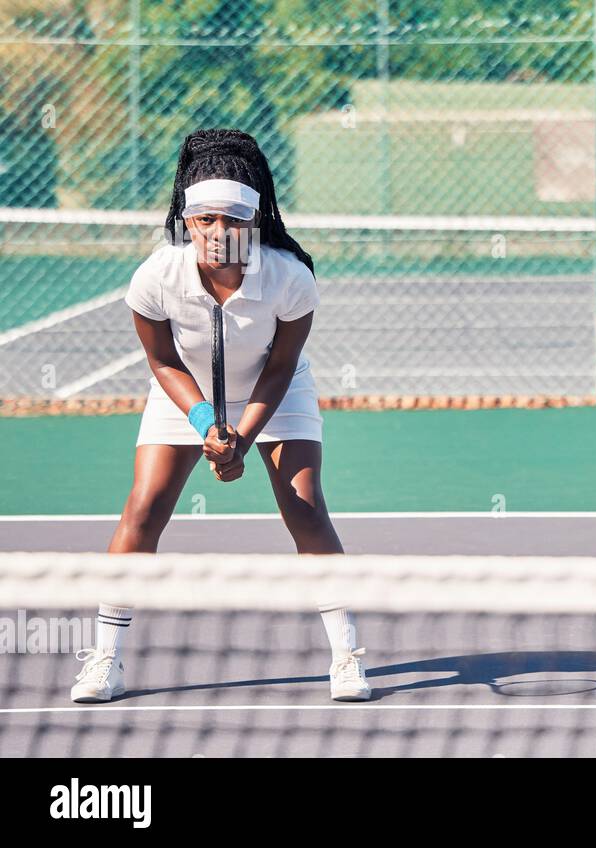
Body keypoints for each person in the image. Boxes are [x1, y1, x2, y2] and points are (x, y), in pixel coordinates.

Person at [71, 129, 372, 702]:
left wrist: (242, 436)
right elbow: (163, 361)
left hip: (274, 393)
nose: (216, 232)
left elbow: (282, 366)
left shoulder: (289, 277)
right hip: (184, 394)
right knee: (143, 507)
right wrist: (208, 425)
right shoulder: (155, 278)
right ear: (187, 221)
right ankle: (105, 658)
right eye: (203, 219)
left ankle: (347, 655)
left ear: (253, 224)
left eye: (231, 220)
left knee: (306, 508)